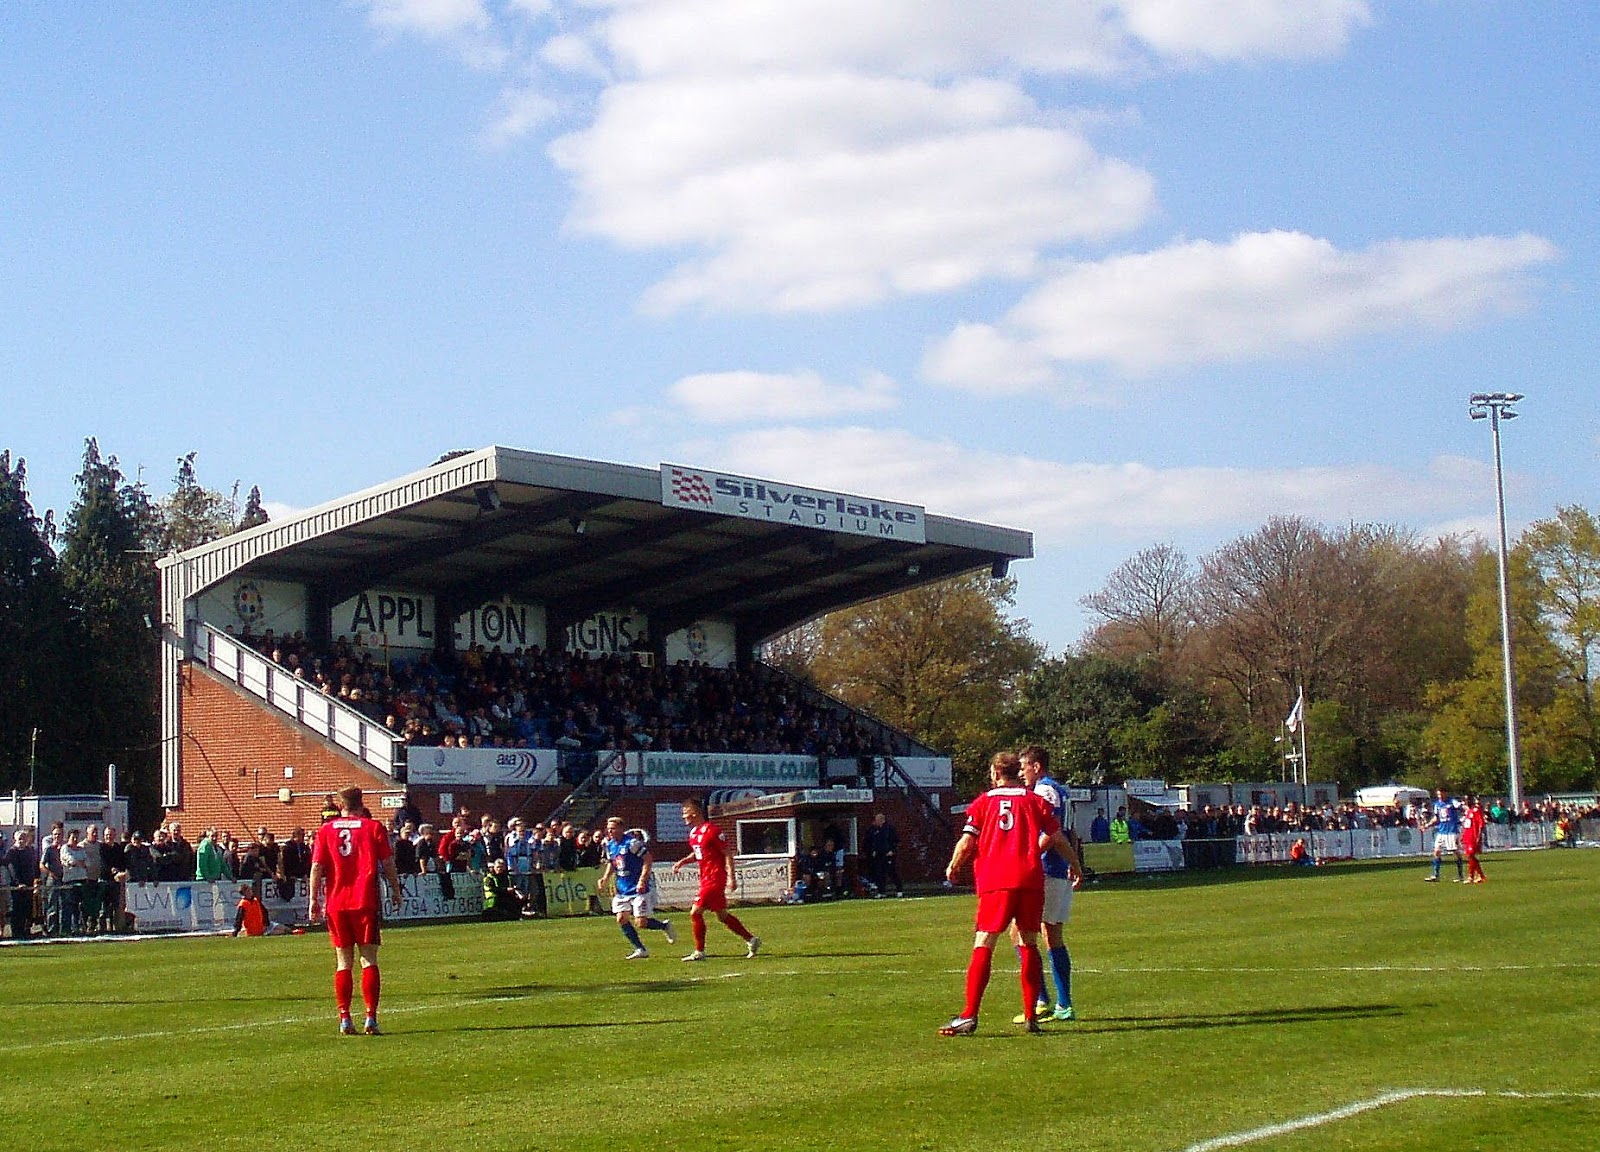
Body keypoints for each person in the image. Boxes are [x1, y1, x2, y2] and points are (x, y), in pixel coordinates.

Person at [939, 751, 1076, 1037]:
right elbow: (1058, 837)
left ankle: (969, 1015)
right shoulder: (1034, 800)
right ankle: (1031, 1014)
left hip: (996, 880)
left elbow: (967, 841)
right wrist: (1076, 866)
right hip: (1029, 879)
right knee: (1028, 942)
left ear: (995, 773)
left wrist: (953, 865)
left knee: (985, 941)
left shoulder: (983, 802)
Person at [308, 786, 404, 1036]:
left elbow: (317, 867)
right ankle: (371, 1018)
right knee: (368, 959)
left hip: (337, 903)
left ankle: (344, 1018)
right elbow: (388, 862)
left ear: (340, 806)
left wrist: (313, 899)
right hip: (365, 901)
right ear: (361, 805)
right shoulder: (373, 828)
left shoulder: (326, 830)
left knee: (343, 962)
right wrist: (395, 889)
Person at [1010, 746, 1082, 1025]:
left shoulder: (1044, 791)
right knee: (1046, 933)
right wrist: (1073, 863)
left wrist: (1027, 857)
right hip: (1056, 869)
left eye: (1024, 766)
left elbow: (1050, 833)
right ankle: (1055, 1002)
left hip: (1046, 871)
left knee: (1024, 932)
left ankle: (1047, 1000)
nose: (1021, 772)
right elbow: (1069, 832)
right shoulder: (1061, 791)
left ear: (1037, 766)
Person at [672, 797, 760, 961]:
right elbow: (698, 853)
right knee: (722, 915)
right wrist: (683, 861)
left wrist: (732, 877)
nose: (683, 816)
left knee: (695, 912)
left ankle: (699, 951)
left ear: (695, 812)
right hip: (705, 878)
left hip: (715, 878)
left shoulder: (712, 831)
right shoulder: (693, 833)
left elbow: (727, 854)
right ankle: (751, 939)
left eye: (685, 812)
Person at [596, 816, 675, 959]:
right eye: (608, 828)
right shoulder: (610, 845)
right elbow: (612, 863)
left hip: (638, 888)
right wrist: (605, 878)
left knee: (641, 922)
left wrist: (642, 880)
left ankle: (664, 926)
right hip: (622, 889)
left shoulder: (632, 843)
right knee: (621, 918)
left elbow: (648, 859)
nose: (609, 831)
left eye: (612, 828)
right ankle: (640, 949)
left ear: (621, 828)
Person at [1426, 788, 1464, 883]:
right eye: (1438, 794)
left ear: (1445, 793)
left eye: (1441, 794)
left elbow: (1462, 808)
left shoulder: (1452, 802)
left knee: (1455, 852)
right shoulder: (1437, 805)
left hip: (1451, 831)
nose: (1440, 796)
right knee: (1436, 851)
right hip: (1441, 831)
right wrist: (1427, 825)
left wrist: (1463, 819)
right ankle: (1436, 875)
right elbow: (1436, 818)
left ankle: (1460, 875)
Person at [863, 812, 903, 897]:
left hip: (889, 855)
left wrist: (892, 850)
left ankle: (899, 890)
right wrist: (873, 850)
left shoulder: (889, 829)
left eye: (877, 820)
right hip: (879, 855)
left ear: (882, 820)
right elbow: (873, 842)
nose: (876, 822)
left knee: (892, 872)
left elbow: (896, 841)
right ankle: (882, 892)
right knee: (879, 873)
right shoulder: (875, 830)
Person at [1461, 797, 1487, 883]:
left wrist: (1479, 836)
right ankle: (1479, 876)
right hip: (1467, 837)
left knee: (1471, 855)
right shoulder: (1468, 812)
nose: (1466, 802)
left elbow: (1481, 824)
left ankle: (1472, 876)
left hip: (1473, 837)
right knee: (1470, 856)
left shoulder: (1476, 810)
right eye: (1465, 800)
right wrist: (1462, 836)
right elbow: (1466, 826)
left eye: (1467, 800)